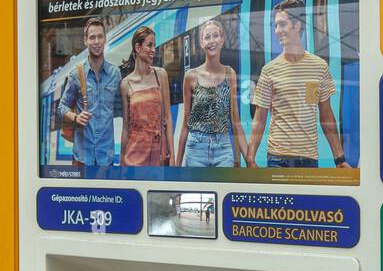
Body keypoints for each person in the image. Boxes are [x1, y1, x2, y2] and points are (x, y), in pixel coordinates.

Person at [248, 0, 351, 170]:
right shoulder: (269, 71)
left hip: (309, 160)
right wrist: (250, 159)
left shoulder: (319, 67)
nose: (277, 31)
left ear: (297, 25)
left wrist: (339, 158)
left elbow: (326, 116)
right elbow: (259, 118)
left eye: (282, 24)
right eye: (275, 26)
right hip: (277, 160)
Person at [176, 18, 251, 168]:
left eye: (215, 35)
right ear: (202, 43)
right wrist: (177, 164)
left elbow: (235, 122)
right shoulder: (191, 76)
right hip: (195, 148)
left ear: (222, 39)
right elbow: (185, 123)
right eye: (207, 37)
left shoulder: (230, 74)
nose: (212, 41)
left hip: (223, 149)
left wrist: (250, 161)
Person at [57, 16, 121, 169]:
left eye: (100, 36)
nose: (96, 41)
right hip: (82, 158)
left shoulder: (115, 74)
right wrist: (76, 117)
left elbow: (122, 109)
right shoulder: (75, 74)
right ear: (86, 41)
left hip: (106, 157)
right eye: (92, 37)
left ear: (105, 38)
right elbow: (61, 107)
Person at [119, 26, 173, 167]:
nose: (154, 50)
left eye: (154, 45)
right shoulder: (126, 84)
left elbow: (167, 118)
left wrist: (172, 156)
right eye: (149, 45)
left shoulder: (161, 75)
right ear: (137, 47)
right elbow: (126, 127)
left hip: (159, 151)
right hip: (135, 153)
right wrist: (122, 160)